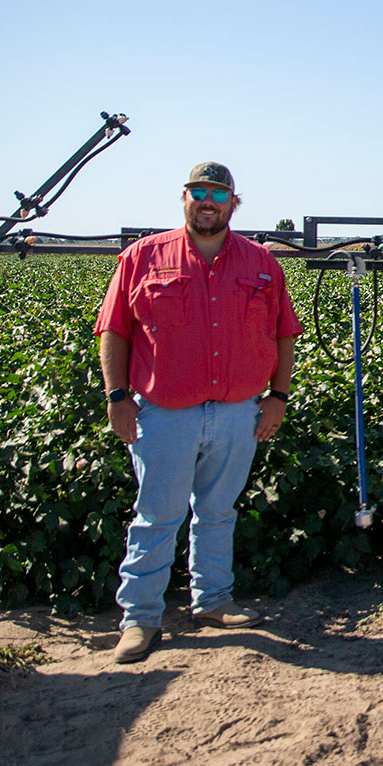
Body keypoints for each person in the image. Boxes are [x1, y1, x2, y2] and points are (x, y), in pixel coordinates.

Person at [96, 162, 302, 664]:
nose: (209, 201)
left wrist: (278, 396)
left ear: (233, 202)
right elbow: (114, 329)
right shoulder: (143, 257)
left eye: (219, 193)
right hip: (165, 413)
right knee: (156, 516)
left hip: (237, 412)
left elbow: (283, 332)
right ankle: (140, 619)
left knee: (217, 512)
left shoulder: (260, 262)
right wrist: (117, 397)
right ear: (184, 197)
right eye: (199, 192)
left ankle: (212, 602)